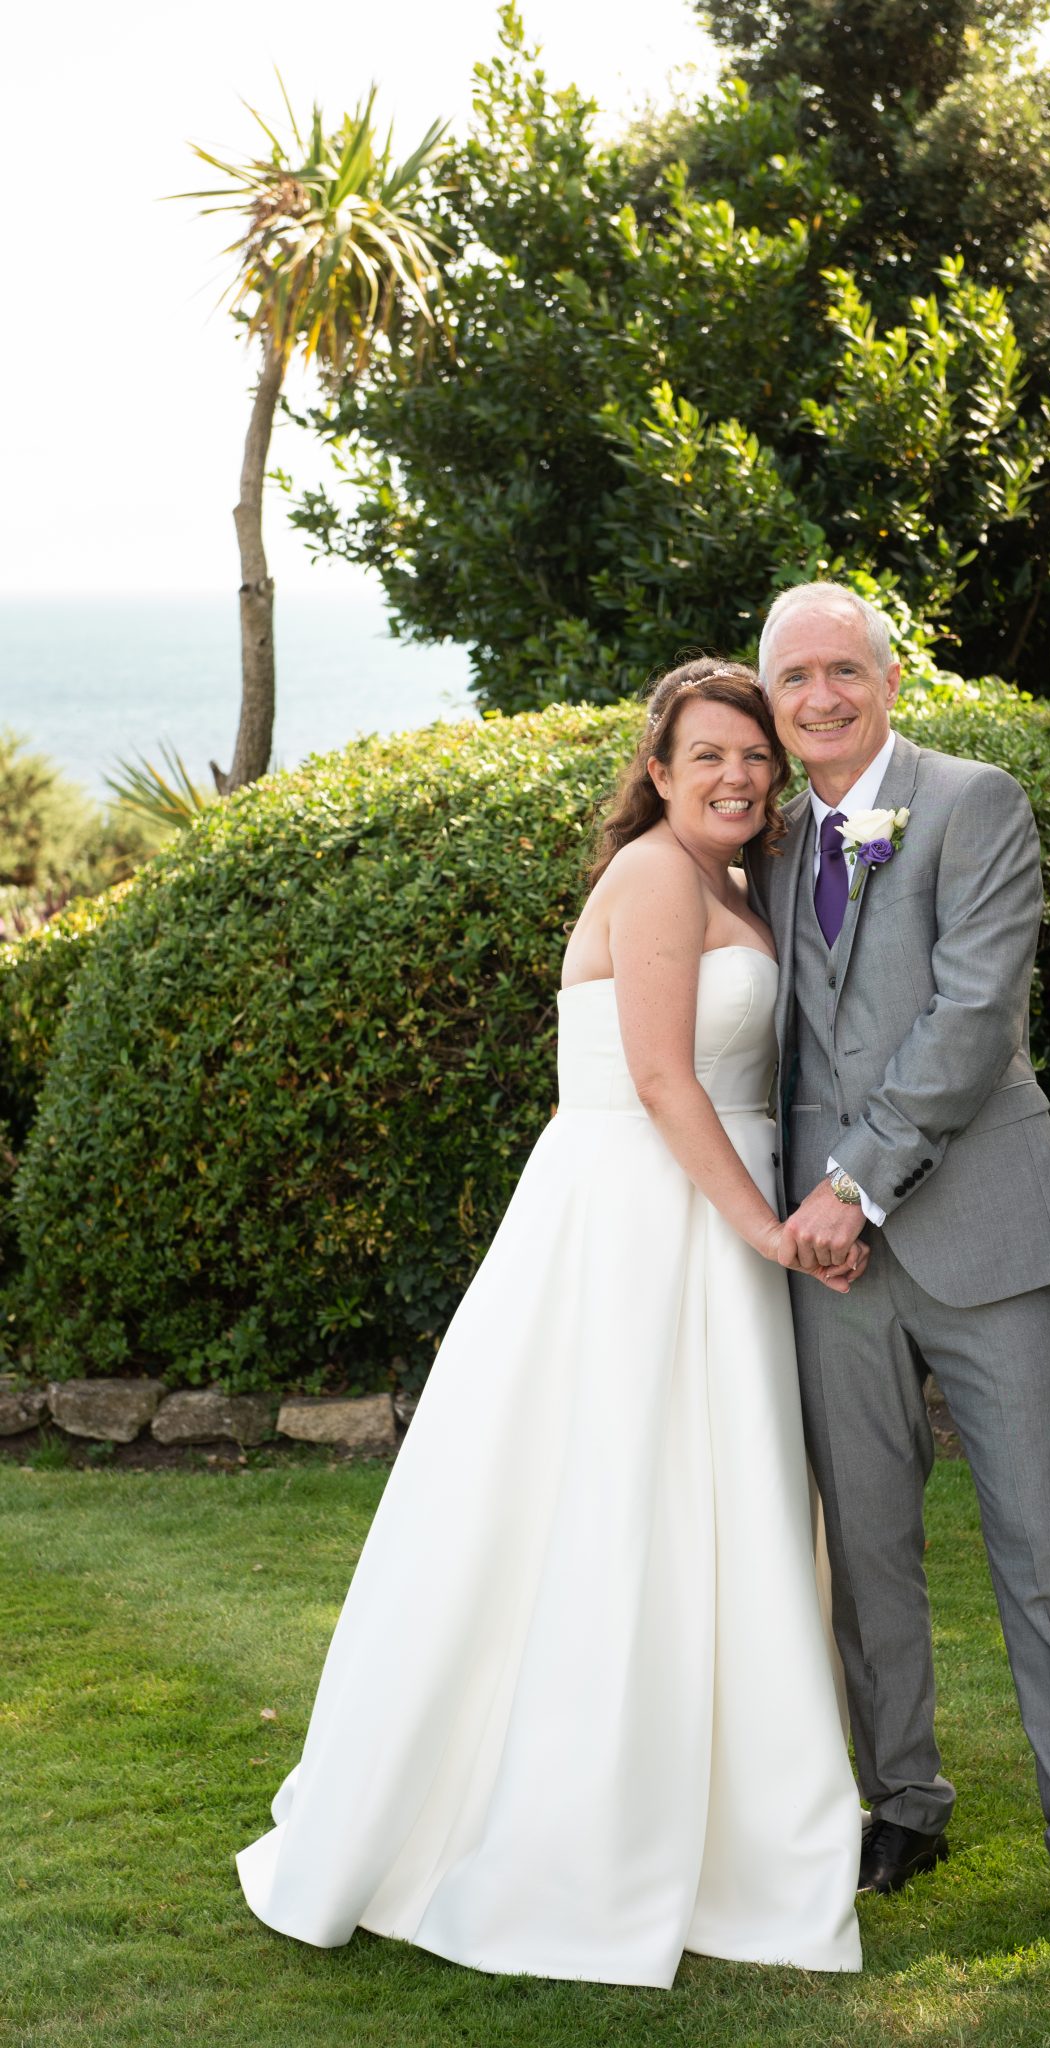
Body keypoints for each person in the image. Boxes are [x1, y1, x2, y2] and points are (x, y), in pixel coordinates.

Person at [236, 660, 865, 1990]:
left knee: (718, 1509)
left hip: (707, 1214)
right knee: (612, 1502)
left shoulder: (733, 884)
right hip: (644, 1219)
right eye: (709, 757)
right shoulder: (651, 876)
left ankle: (730, 1815)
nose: (739, 777)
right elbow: (652, 1074)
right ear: (657, 769)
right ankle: (586, 1824)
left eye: (753, 756)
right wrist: (762, 1228)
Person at [745, 581, 1050, 1968]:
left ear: (890, 678)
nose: (821, 696)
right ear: (772, 693)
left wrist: (853, 1186)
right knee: (864, 1551)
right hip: (826, 1264)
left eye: (843, 670)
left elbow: (973, 1017)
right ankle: (904, 1805)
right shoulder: (766, 834)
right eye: (795, 676)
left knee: (1043, 1553)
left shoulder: (976, 804)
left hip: (980, 1235)